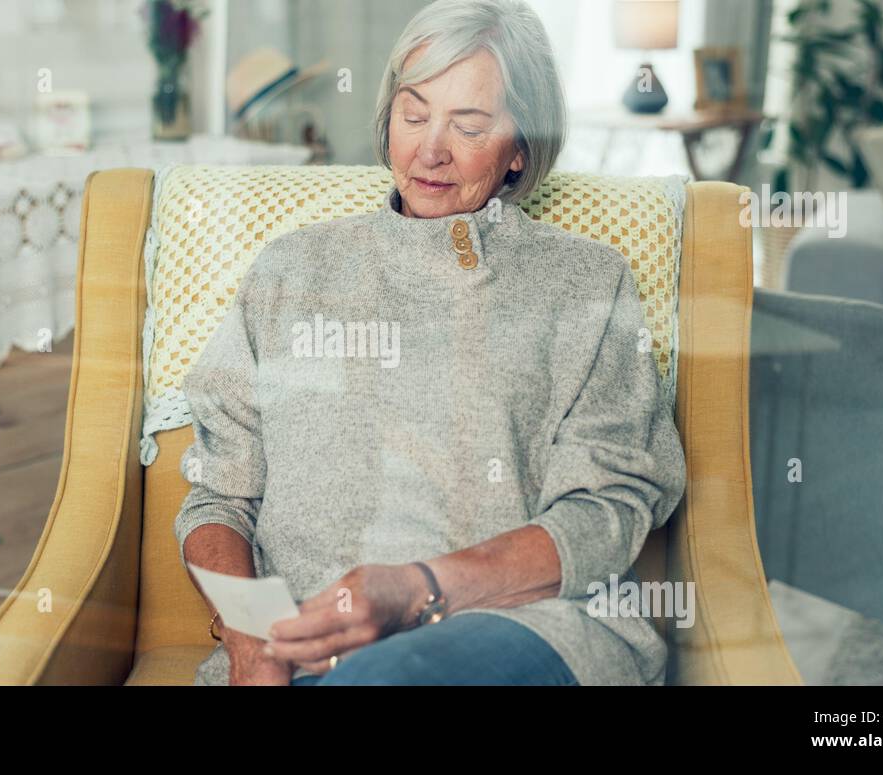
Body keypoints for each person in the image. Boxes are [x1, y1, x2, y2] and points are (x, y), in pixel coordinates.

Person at [174, 0, 686, 686]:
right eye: (413, 116)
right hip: (296, 647)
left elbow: (606, 512)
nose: (429, 150)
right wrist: (251, 638)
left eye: (469, 125)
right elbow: (218, 497)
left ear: (520, 151)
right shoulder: (290, 269)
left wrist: (417, 589)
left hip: (526, 626)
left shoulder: (588, 282)